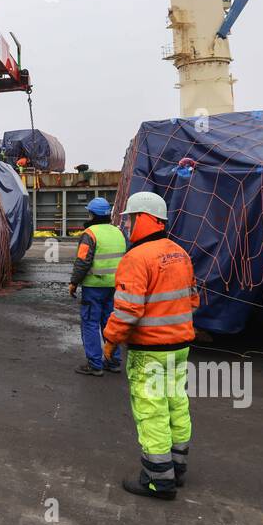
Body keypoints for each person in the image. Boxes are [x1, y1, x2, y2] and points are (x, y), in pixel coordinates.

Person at [102, 191, 199, 501]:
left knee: (151, 412)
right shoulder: (180, 254)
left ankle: (158, 481)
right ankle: (177, 468)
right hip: (180, 346)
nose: (128, 226)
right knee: (176, 403)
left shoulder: (136, 258)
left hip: (151, 351)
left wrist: (110, 341)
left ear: (144, 219)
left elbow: (127, 311)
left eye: (130, 219)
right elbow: (193, 299)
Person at [68, 196, 127, 376]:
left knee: (90, 323)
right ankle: (113, 360)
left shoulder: (90, 234)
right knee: (110, 322)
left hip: (94, 287)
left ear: (91, 214)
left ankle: (95, 364)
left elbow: (83, 261)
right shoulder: (119, 232)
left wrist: (74, 282)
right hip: (114, 286)